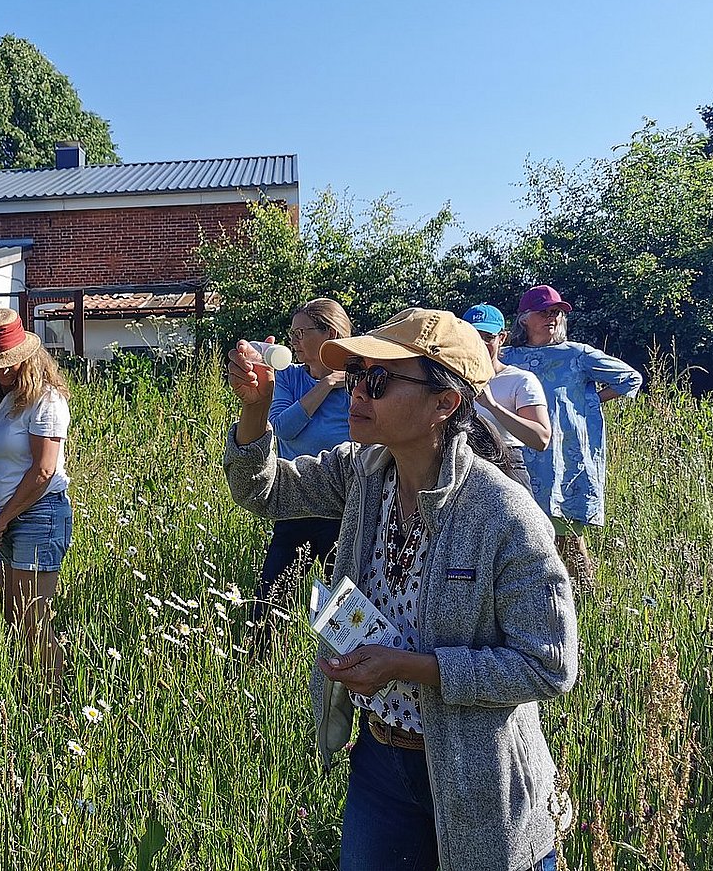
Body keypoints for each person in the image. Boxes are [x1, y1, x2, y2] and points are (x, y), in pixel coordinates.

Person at [223, 308, 578, 871]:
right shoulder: (365, 472)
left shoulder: (505, 515)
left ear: (445, 403)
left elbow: (547, 666)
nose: (358, 392)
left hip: (476, 776)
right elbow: (264, 492)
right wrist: (255, 411)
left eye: (380, 380)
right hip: (380, 761)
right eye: (358, 375)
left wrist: (410, 666)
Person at [0, 308, 72, 691]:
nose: (2, 371)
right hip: (0, 517)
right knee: (12, 615)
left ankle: (56, 703)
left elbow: (43, 471)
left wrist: (2, 518)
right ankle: (29, 694)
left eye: (8, 362)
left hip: (38, 514)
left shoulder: (47, 400)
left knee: (33, 618)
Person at [502, 285, 642, 585]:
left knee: (566, 530)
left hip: (562, 454)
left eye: (556, 312)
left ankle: (587, 596)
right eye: (544, 312)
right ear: (524, 318)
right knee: (524, 531)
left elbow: (630, 378)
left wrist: (589, 401)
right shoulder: (507, 356)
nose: (551, 318)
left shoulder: (577, 354)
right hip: (516, 452)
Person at [255, 297, 352, 650]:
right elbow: (283, 427)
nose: (293, 340)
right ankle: (259, 662)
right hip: (294, 498)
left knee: (345, 598)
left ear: (330, 333)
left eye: (301, 332)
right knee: (271, 593)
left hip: (343, 504)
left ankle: (346, 665)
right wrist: (325, 385)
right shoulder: (290, 377)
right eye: (292, 333)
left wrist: (343, 382)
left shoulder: (359, 382)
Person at [461, 303, 551, 491]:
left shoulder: (521, 380)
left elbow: (541, 439)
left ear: (502, 338)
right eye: (473, 337)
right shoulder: (452, 380)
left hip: (505, 464)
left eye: (488, 337)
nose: (481, 344)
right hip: (461, 464)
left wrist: (492, 405)